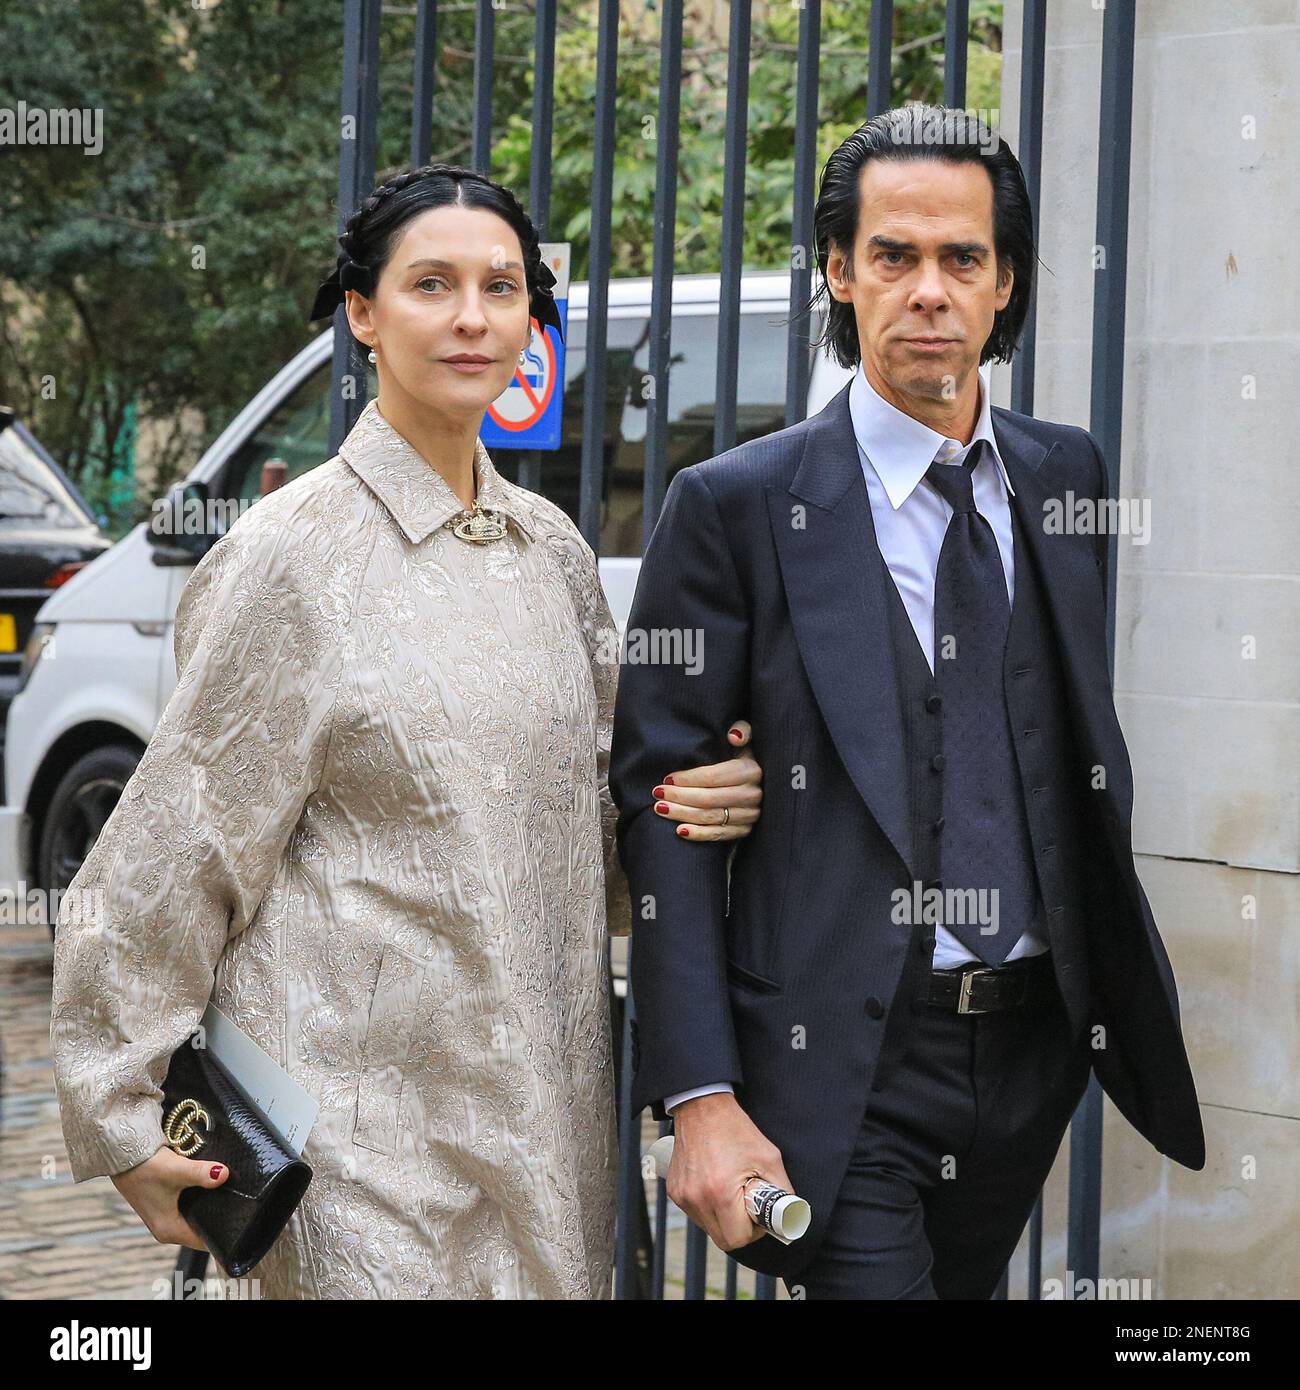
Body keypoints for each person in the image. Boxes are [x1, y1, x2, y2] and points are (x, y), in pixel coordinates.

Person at [49, 163, 764, 1300]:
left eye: (502, 286)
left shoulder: (553, 555)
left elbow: (592, 819)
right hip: (352, 1144)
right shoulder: (292, 557)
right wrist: (119, 1108)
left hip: (542, 1123)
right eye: (432, 284)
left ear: (535, 317)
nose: (473, 316)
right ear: (363, 315)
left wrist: (692, 805)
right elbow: (174, 848)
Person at [610, 106, 1205, 1300]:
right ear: (839, 270)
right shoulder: (735, 506)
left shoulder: (1063, 474)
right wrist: (700, 1096)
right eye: (892, 255)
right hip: (839, 1054)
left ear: (1004, 283)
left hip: (1032, 1041)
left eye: (961, 259)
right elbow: (663, 810)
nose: (926, 290)